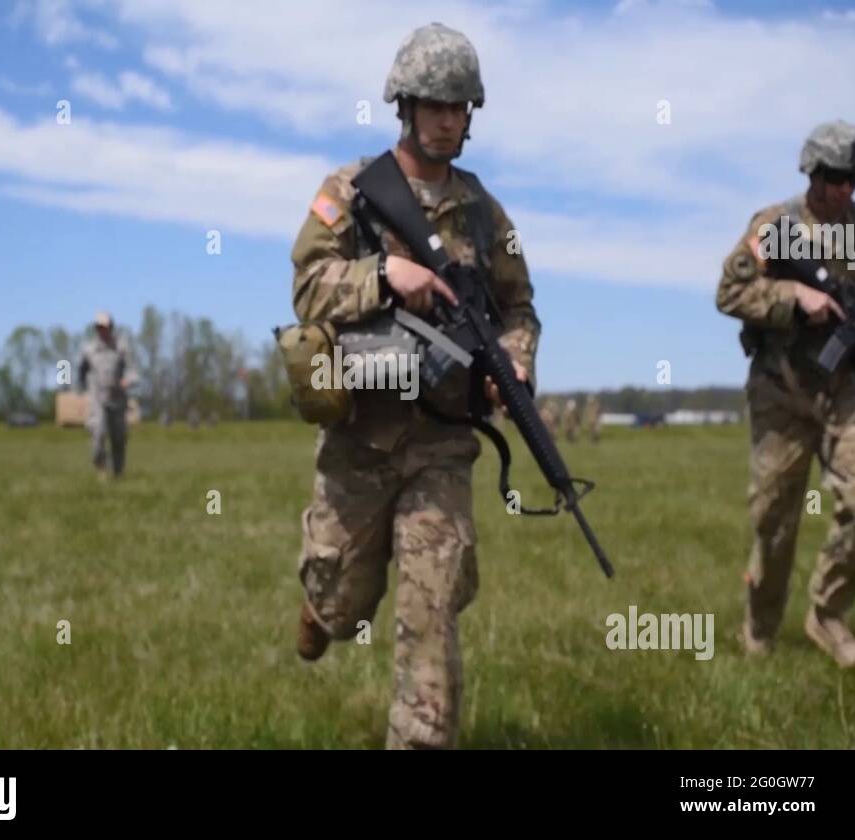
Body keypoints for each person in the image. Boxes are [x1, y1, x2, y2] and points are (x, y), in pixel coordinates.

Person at [290, 22, 540, 748]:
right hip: (359, 438)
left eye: (461, 105)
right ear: (404, 104)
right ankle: (322, 609)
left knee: (430, 612)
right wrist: (382, 275)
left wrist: (516, 361)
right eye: (433, 102)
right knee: (343, 602)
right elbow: (308, 289)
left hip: (442, 443)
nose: (447, 117)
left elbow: (520, 306)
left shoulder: (487, 217)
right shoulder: (348, 193)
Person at [716, 119, 855, 667]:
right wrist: (792, 294)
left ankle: (827, 615)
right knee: (775, 520)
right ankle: (760, 630)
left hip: (842, 388)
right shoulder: (776, 225)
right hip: (780, 388)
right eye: (833, 178)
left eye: (854, 179)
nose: (844, 190)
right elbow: (729, 291)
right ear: (811, 173)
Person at [77, 312, 137, 479]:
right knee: (98, 433)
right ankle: (101, 469)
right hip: (97, 399)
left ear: (111, 327)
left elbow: (133, 371)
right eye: (98, 328)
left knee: (118, 438)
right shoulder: (89, 349)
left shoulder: (121, 347)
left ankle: (118, 472)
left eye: (104, 327)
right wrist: (80, 390)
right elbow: (81, 371)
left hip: (117, 399)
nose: (101, 331)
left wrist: (127, 381)